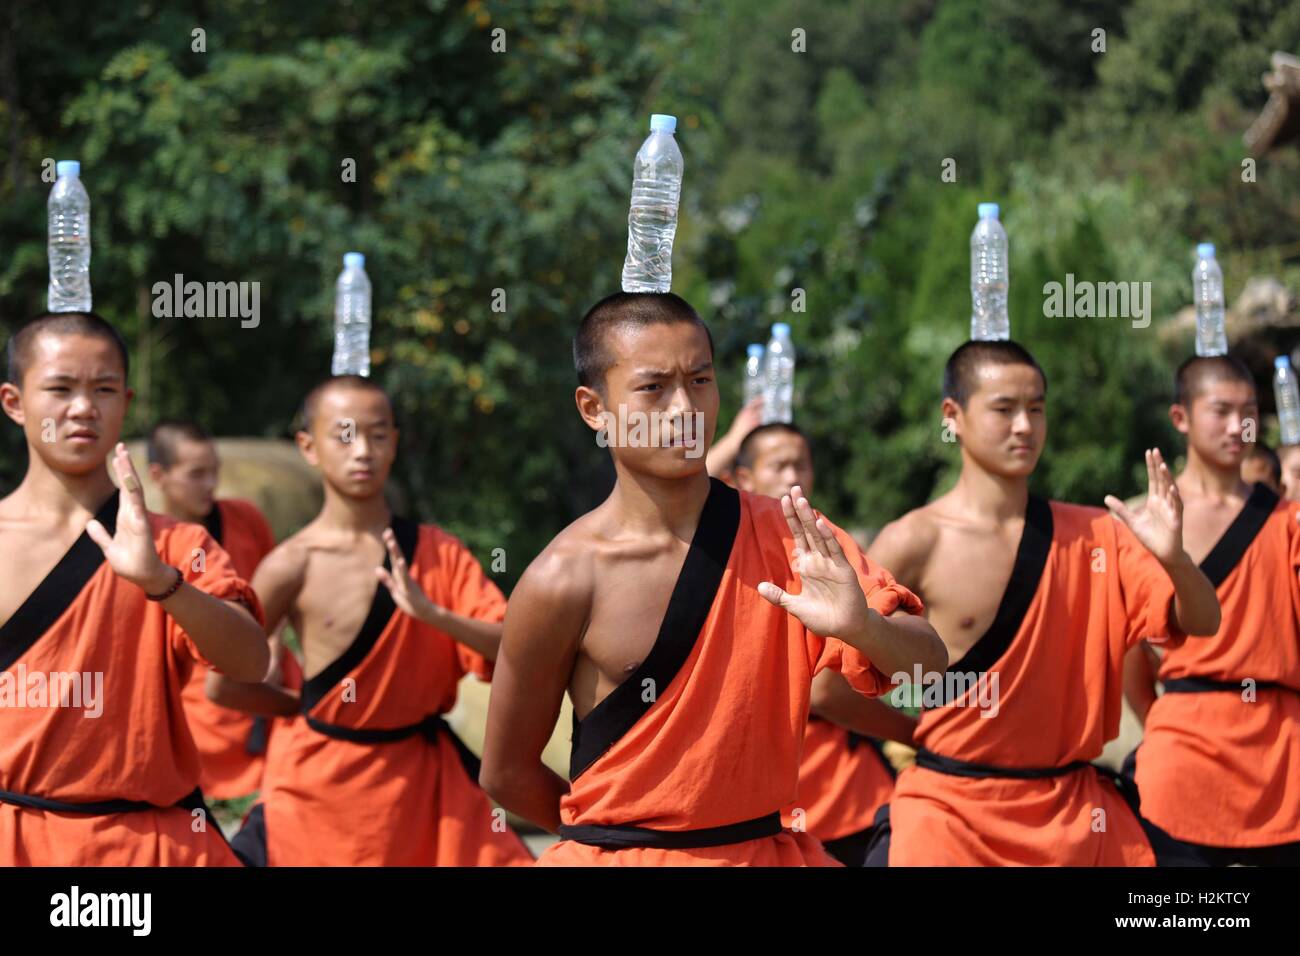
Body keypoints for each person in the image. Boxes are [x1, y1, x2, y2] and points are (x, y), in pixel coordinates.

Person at [480, 292, 946, 866]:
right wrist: (617, 843)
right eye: (653, 388)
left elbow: (930, 666)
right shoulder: (563, 577)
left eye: (700, 380)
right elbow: (506, 771)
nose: (684, 408)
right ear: (593, 408)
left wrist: (863, 627)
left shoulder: (790, 535)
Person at [865, 340, 1220, 866]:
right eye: (1004, 409)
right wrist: (927, 733)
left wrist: (1176, 560)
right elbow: (829, 687)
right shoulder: (915, 540)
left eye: (1036, 408)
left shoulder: (1098, 534)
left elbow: (1203, 621)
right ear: (953, 416)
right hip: (950, 814)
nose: (1025, 426)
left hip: (1075, 815)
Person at [213, 375, 531, 865]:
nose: (362, 450)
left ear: (394, 444)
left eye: (378, 434)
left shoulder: (436, 550)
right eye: (344, 435)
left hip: (425, 781)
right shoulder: (292, 562)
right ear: (308, 446)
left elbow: (515, 645)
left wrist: (434, 615)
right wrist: (309, 708)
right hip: (321, 781)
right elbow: (226, 685)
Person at [0, 312, 268, 865]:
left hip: (149, 848)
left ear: (126, 400)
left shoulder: (175, 544)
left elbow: (249, 660)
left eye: (103, 389)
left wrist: (163, 584)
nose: (83, 407)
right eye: (59, 388)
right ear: (14, 403)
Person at [1123, 355, 1300, 865]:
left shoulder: (1288, 521)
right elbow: (1129, 651)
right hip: (1183, 750)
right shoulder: (1145, 520)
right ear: (1180, 418)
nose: (1238, 426)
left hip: (1280, 751)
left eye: (1249, 412)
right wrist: (1166, 721)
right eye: (1220, 410)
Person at [731, 421, 915, 866]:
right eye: (778, 465)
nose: (791, 474)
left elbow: (920, 651)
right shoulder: (725, 556)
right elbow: (824, 692)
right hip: (776, 790)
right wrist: (918, 736)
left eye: (801, 464)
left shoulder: (828, 546)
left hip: (844, 787)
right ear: (743, 479)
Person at [147, 420, 282, 801]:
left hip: (267, 682)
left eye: (214, 472)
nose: (210, 484)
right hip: (201, 705)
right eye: (196, 474)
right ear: (159, 476)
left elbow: (277, 591)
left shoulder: (245, 518)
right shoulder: (150, 547)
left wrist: (272, 644)